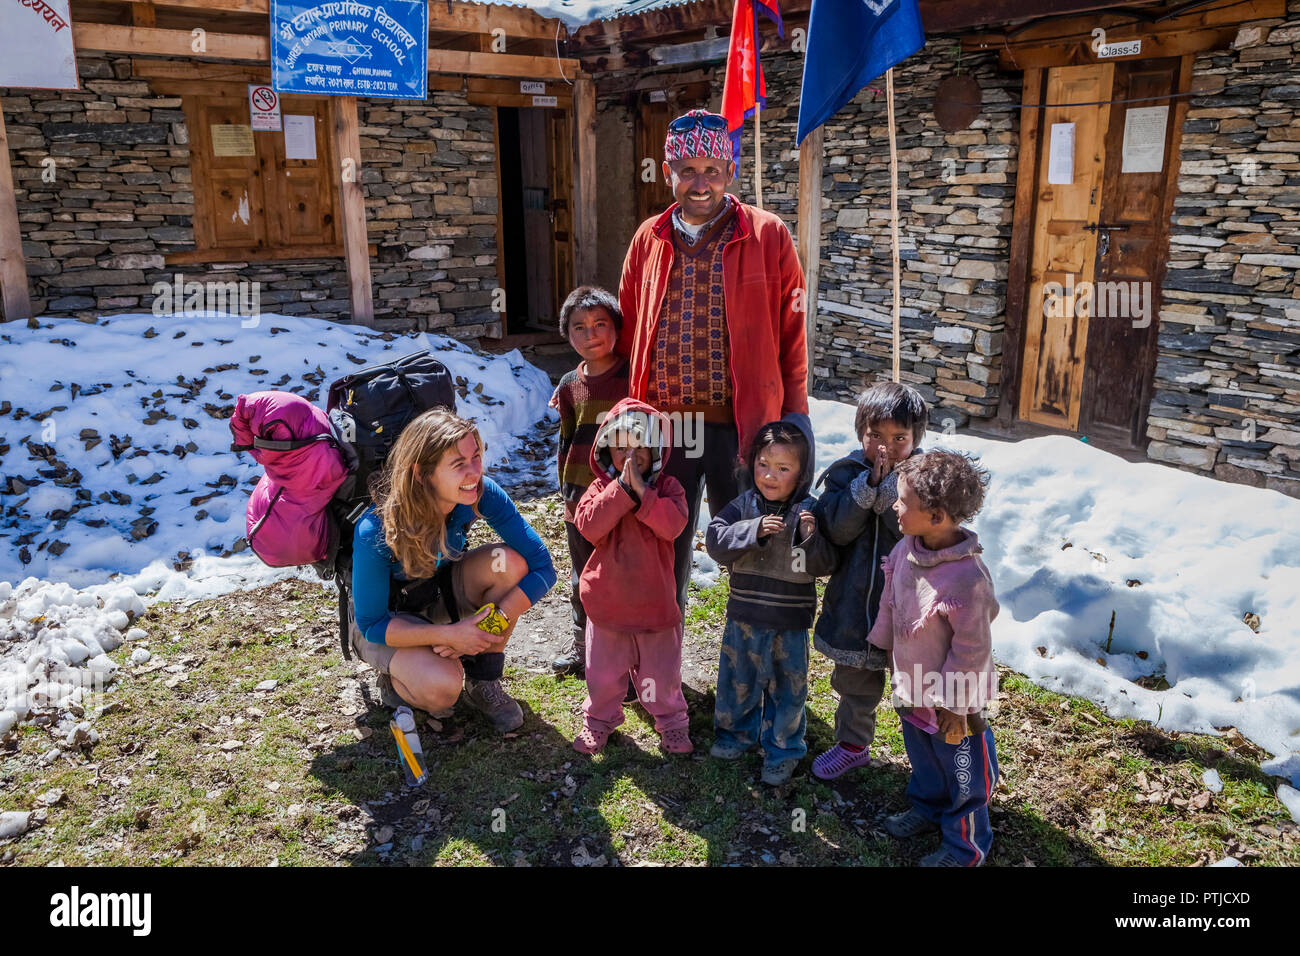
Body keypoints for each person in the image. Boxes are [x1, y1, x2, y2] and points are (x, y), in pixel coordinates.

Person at [617, 108, 808, 617]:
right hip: (667, 425)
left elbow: (792, 335)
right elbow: (632, 326)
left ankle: (751, 659)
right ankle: (660, 663)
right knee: (663, 543)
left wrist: (796, 417)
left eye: (712, 170)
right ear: (667, 173)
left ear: (731, 171)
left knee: (750, 544)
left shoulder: (767, 235)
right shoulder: (648, 239)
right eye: (687, 170)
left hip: (741, 429)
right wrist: (627, 417)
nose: (699, 183)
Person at [349, 407, 557, 733]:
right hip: (388, 620)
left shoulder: (480, 494)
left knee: (510, 563)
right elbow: (372, 624)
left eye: (477, 457)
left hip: (438, 593)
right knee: (442, 691)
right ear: (421, 473)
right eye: (458, 465)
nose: (474, 472)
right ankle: (396, 678)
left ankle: (483, 680)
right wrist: (449, 636)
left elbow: (543, 567)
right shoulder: (375, 529)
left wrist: (490, 624)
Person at [868, 450, 1000, 867]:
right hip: (913, 688)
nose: (895, 506)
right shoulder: (909, 547)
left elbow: (972, 650)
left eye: (903, 502)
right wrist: (885, 646)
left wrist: (955, 708)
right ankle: (927, 808)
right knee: (925, 758)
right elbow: (892, 600)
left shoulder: (967, 580)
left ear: (938, 516)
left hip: (954, 704)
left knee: (964, 773)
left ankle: (966, 847)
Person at [704, 415, 836, 785]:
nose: (770, 476)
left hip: (790, 622)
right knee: (737, 679)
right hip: (744, 615)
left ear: (801, 473)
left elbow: (826, 564)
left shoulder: (809, 510)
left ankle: (782, 749)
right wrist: (752, 530)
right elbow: (715, 540)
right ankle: (735, 735)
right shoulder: (744, 505)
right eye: (763, 464)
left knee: (788, 689)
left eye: (783, 468)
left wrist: (810, 537)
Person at [811, 382, 929, 780]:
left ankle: (930, 762)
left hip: (911, 607)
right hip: (855, 604)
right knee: (856, 682)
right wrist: (867, 491)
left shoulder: (927, 480)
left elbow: (922, 535)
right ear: (860, 431)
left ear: (916, 439)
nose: (886, 447)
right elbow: (837, 530)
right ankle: (852, 745)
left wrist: (895, 495)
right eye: (875, 435)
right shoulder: (846, 474)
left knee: (917, 686)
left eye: (900, 438)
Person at [571, 397, 692, 755]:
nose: (630, 454)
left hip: (655, 608)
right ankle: (600, 720)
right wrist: (621, 491)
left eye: (640, 445)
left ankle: (671, 722)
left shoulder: (668, 489)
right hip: (608, 608)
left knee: (660, 676)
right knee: (603, 676)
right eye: (621, 445)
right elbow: (590, 526)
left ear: (655, 449)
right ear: (606, 447)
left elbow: (672, 526)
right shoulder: (598, 489)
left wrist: (643, 493)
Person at [549, 286, 630, 678]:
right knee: (583, 574)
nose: (591, 334)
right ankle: (584, 649)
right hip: (580, 498)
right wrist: (565, 493)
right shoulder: (568, 384)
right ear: (568, 335)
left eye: (600, 324)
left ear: (617, 328)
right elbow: (566, 440)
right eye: (579, 327)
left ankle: (626, 659)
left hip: (621, 497)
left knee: (620, 573)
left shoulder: (632, 376)